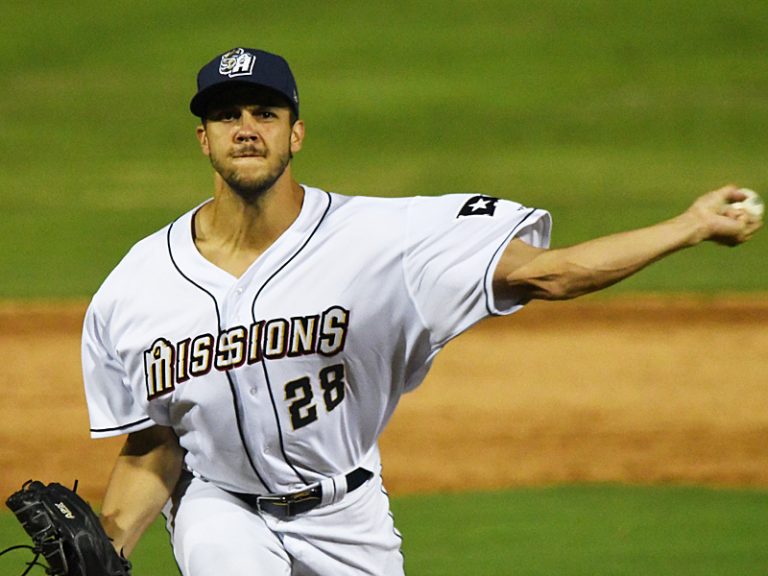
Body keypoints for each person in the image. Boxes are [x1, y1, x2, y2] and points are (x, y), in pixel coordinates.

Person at [81, 47, 762, 576]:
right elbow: (153, 444)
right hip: (217, 508)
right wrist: (112, 541)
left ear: (297, 134)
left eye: (265, 113)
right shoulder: (134, 289)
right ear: (204, 138)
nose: (247, 129)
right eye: (228, 115)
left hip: (345, 512)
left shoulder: (386, 240)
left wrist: (690, 226)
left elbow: (552, 275)